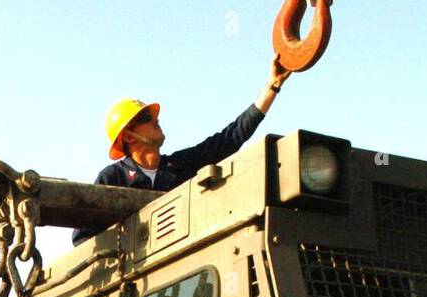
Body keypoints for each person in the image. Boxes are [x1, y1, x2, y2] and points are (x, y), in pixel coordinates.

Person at [72, 57, 293, 244]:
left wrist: (273, 85)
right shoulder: (113, 178)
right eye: (146, 118)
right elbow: (82, 240)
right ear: (129, 136)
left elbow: (230, 138)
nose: (156, 120)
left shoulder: (180, 167)